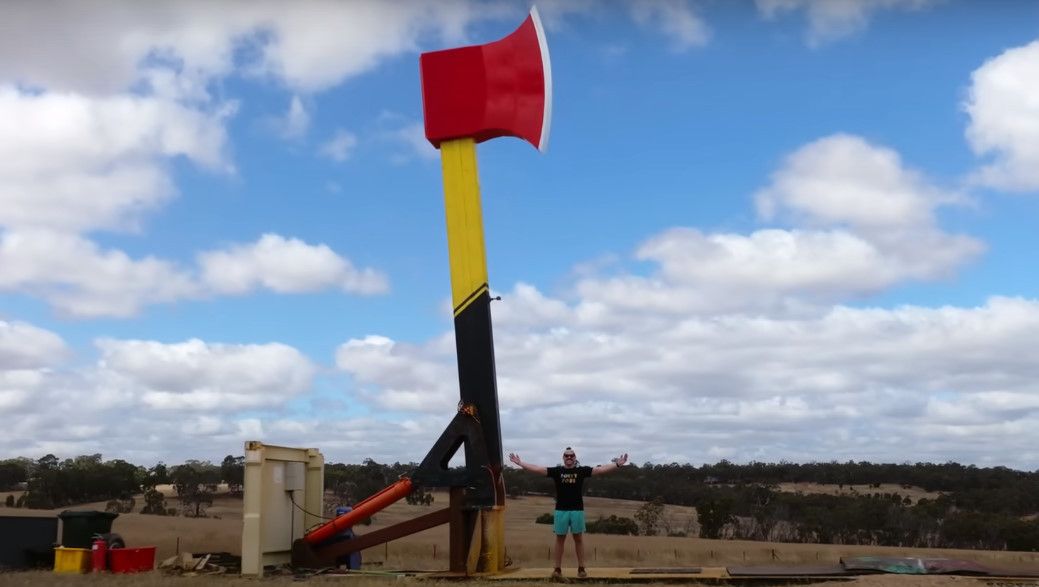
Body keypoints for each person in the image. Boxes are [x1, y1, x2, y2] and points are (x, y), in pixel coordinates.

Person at [509, 447, 629, 579]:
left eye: (571, 456)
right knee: (560, 539)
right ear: (563, 458)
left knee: (578, 539)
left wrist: (617, 464)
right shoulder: (557, 471)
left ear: (575, 457)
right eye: (567, 456)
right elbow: (538, 469)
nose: (569, 458)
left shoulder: (581, 471)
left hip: (577, 510)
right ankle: (557, 569)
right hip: (561, 510)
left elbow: (600, 470)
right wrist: (520, 463)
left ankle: (581, 568)